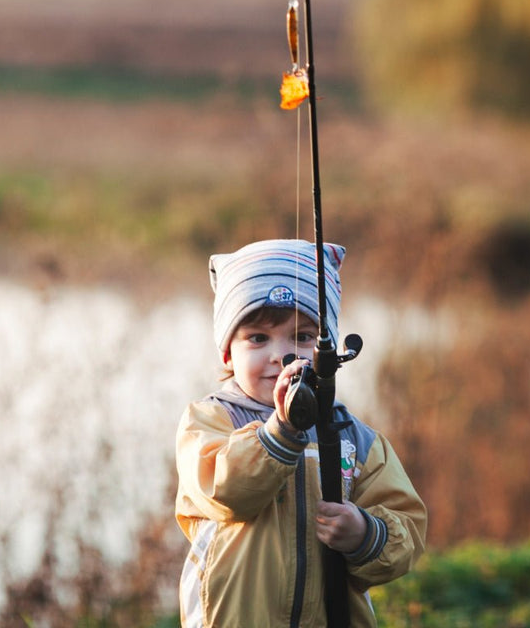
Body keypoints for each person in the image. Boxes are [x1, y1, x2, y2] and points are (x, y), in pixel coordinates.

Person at [175, 238, 427, 627]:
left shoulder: (356, 440)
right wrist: (280, 432)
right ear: (227, 352)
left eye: (302, 337)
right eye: (258, 338)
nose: (281, 354)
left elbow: (407, 530)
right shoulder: (210, 420)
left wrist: (365, 534)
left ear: (328, 351)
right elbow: (224, 493)